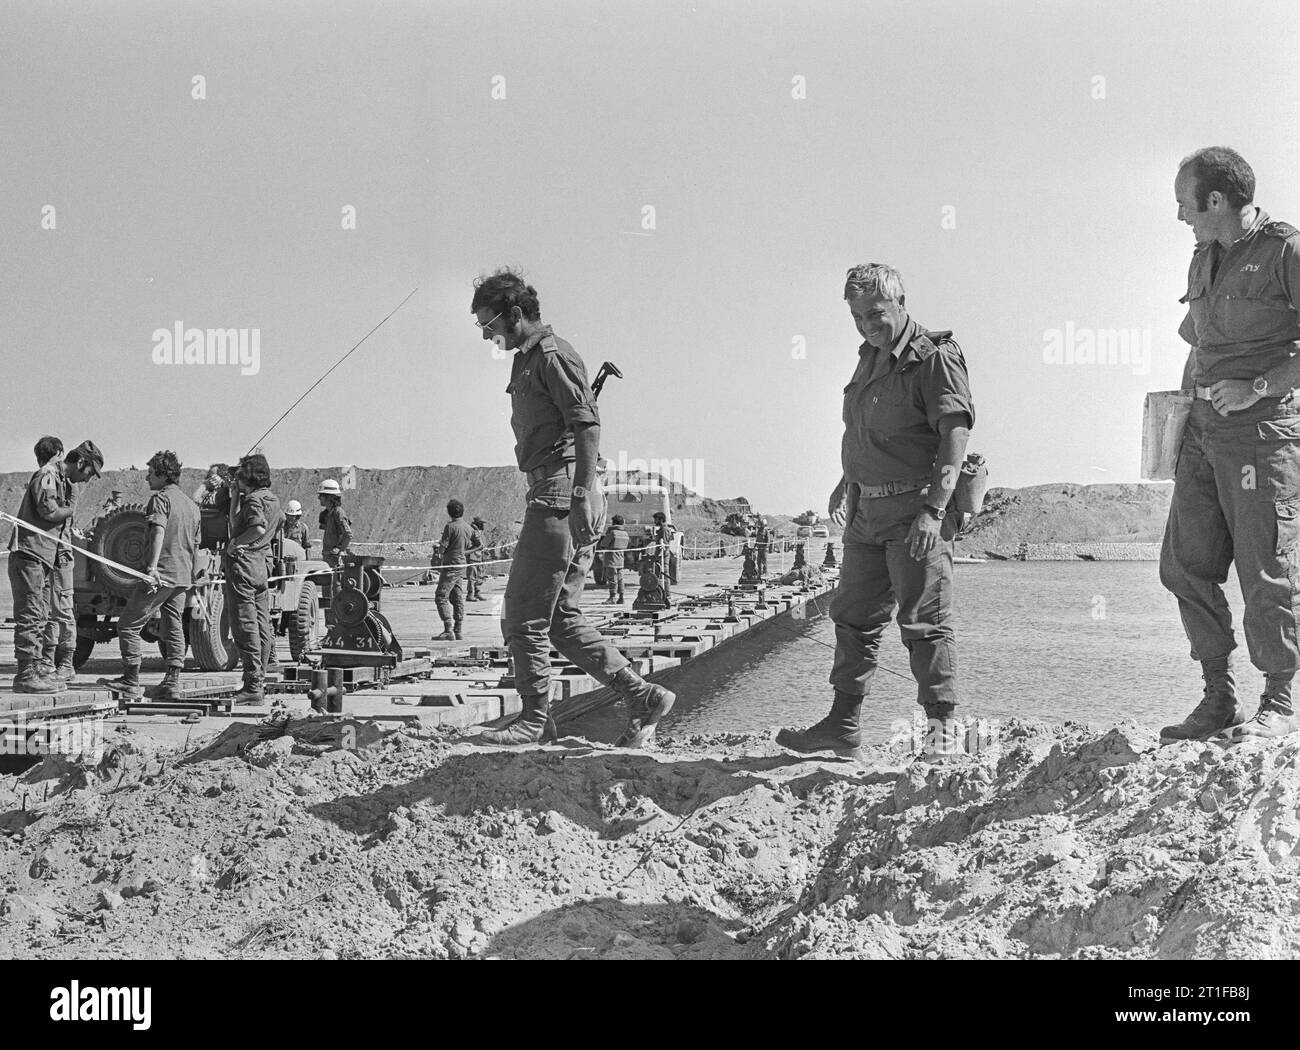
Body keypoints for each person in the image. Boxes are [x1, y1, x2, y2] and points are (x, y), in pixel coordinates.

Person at [777, 263, 974, 762]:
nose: (866, 325)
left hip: (916, 511)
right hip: (867, 512)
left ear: (901, 302)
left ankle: (942, 736)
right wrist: (849, 479)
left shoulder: (934, 356)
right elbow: (868, 429)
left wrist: (934, 510)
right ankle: (842, 726)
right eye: (858, 315)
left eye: (875, 313)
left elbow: (955, 435)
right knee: (854, 618)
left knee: (923, 622)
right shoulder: (869, 357)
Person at [469, 268, 675, 746]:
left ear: (516, 314)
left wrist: (583, 493)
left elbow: (587, 426)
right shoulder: (526, 359)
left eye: (491, 324)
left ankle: (535, 719)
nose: (489, 335)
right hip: (553, 490)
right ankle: (641, 696)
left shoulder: (552, 356)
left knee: (522, 612)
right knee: (559, 616)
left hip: (561, 497)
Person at [1160, 147, 1300, 743]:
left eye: (1184, 204)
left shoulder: (1286, 252)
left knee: (1265, 568)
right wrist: (1176, 415)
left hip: (1261, 436)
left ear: (1216, 200)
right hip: (1202, 434)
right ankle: (1219, 698)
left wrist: (1258, 387)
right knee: (1183, 564)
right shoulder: (1202, 257)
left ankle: (1282, 700)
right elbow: (1199, 344)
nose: (1181, 216)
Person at [98, 451, 200, 701]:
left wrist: (151, 568)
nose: (146, 478)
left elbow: (158, 532)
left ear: (164, 474)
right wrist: (194, 580)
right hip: (182, 576)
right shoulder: (191, 505)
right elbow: (196, 545)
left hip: (161, 574)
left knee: (128, 625)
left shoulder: (161, 500)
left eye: (151, 473)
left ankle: (130, 680)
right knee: (173, 624)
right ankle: (172, 681)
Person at [7, 438, 100, 693]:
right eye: (90, 471)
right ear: (80, 462)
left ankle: (34, 671)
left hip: (42, 557)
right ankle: (26, 675)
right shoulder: (48, 475)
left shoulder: (60, 480)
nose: (88, 478)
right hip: (31, 556)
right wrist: (70, 509)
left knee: (40, 615)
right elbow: (48, 512)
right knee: (31, 616)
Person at [222, 454, 283, 704]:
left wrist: (236, 543)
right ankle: (259, 679)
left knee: (245, 626)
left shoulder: (255, 501)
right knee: (262, 624)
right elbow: (243, 521)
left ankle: (253, 685)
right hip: (260, 567)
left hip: (244, 567)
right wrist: (236, 495)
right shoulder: (272, 500)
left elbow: (256, 527)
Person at [433, 499, 475, 641]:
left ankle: (448, 629)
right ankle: (458, 629)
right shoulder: (469, 528)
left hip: (450, 565)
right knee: (457, 596)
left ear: (449, 512)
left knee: (441, 596)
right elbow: (480, 545)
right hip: (461, 565)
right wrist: (464, 553)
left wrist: (438, 553)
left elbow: (443, 546)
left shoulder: (450, 527)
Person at [317, 479, 352, 567]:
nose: (319, 498)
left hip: (335, 557)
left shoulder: (338, 513)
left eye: (321, 495)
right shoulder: (327, 514)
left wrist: (341, 551)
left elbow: (348, 535)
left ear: (329, 497)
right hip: (328, 556)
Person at [598, 514, 631, 604]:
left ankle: (612, 597)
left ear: (614, 522)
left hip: (611, 559)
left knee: (612, 579)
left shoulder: (612, 533)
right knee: (620, 578)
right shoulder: (625, 533)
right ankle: (621, 597)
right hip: (620, 559)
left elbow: (603, 544)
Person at [466, 515, 487, 601]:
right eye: (482, 523)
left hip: (479, 556)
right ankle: (470, 594)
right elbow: (472, 544)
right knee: (472, 577)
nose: (483, 525)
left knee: (479, 575)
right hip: (472, 556)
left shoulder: (479, 532)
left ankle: (477, 593)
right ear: (478, 523)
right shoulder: (472, 531)